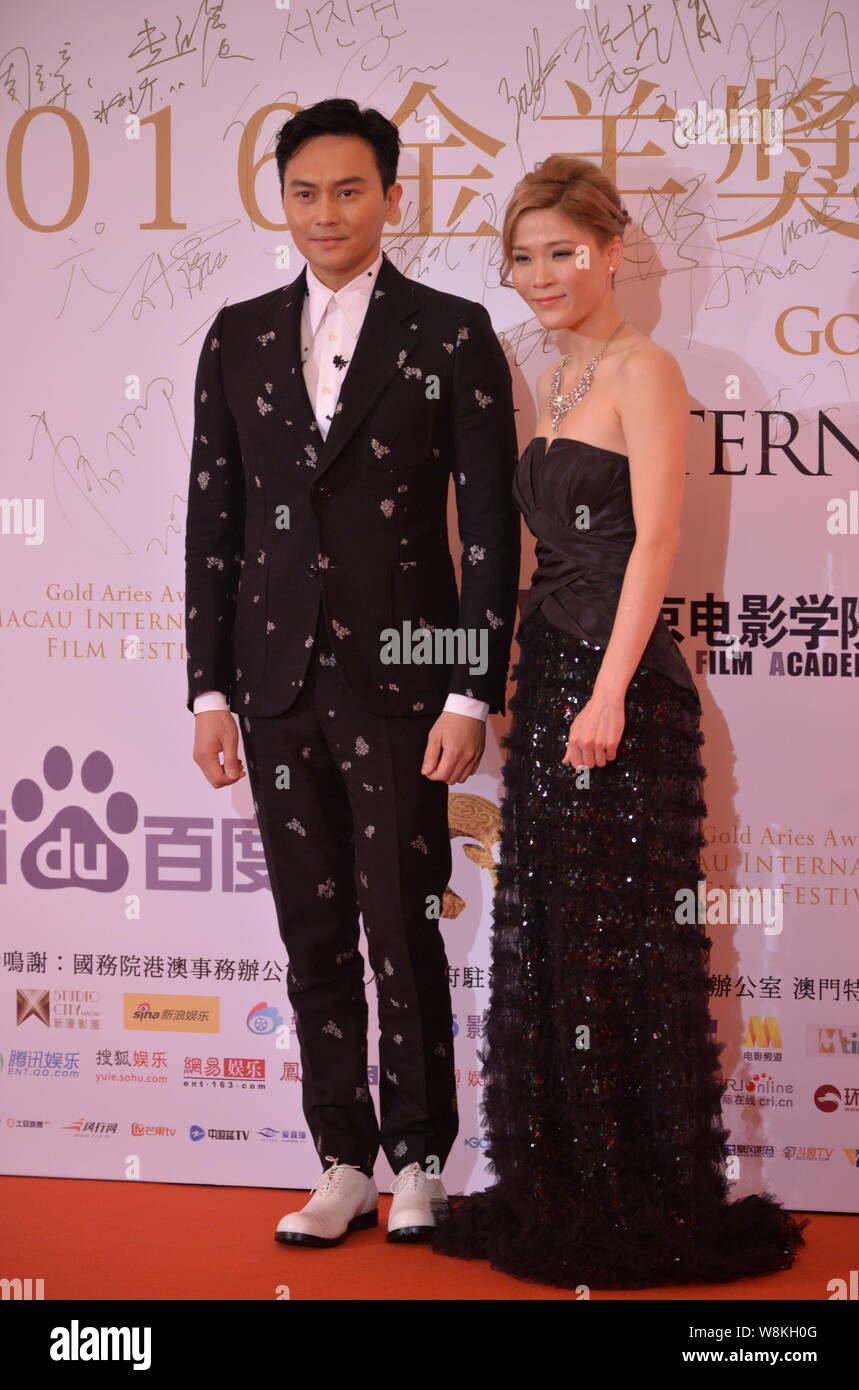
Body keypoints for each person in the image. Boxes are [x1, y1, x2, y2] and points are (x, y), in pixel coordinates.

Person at [429, 155, 808, 1289]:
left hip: (620, 689)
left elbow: (653, 542)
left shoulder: (647, 367)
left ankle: (631, 1183)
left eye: (564, 252)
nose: (543, 274)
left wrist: (605, 690)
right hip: (549, 676)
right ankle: (562, 1174)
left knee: (620, 942)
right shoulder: (553, 373)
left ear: (613, 251)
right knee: (553, 930)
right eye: (526, 256)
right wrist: (517, 677)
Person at [184, 99, 520, 1246]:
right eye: (305, 192)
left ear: (391, 196)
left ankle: (420, 1158)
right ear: (281, 200)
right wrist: (209, 688)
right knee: (311, 930)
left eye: (349, 190)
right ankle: (340, 1159)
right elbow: (211, 521)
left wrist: (471, 687)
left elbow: (489, 526)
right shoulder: (234, 335)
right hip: (273, 684)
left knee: (402, 921)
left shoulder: (452, 330)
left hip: (407, 680)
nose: (326, 213)